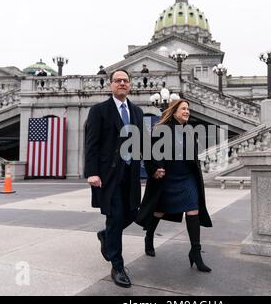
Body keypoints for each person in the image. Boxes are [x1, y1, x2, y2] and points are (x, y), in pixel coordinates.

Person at [136, 99, 213, 273]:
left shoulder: (190, 130)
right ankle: (149, 237)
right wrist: (155, 169)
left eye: (188, 109)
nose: (187, 111)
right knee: (159, 211)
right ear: (174, 111)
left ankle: (195, 252)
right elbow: (148, 151)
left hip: (187, 177)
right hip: (168, 178)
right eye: (183, 108)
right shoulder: (162, 129)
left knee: (193, 210)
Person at [84, 69, 144, 288]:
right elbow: (92, 144)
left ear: (130, 85)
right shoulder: (99, 111)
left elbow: (142, 143)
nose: (122, 83)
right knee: (116, 215)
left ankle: (106, 235)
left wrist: (156, 167)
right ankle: (117, 266)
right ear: (110, 85)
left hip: (131, 174)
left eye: (125, 81)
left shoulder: (137, 112)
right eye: (117, 80)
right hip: (109, 175)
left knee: (132, 213)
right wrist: (91, 172)